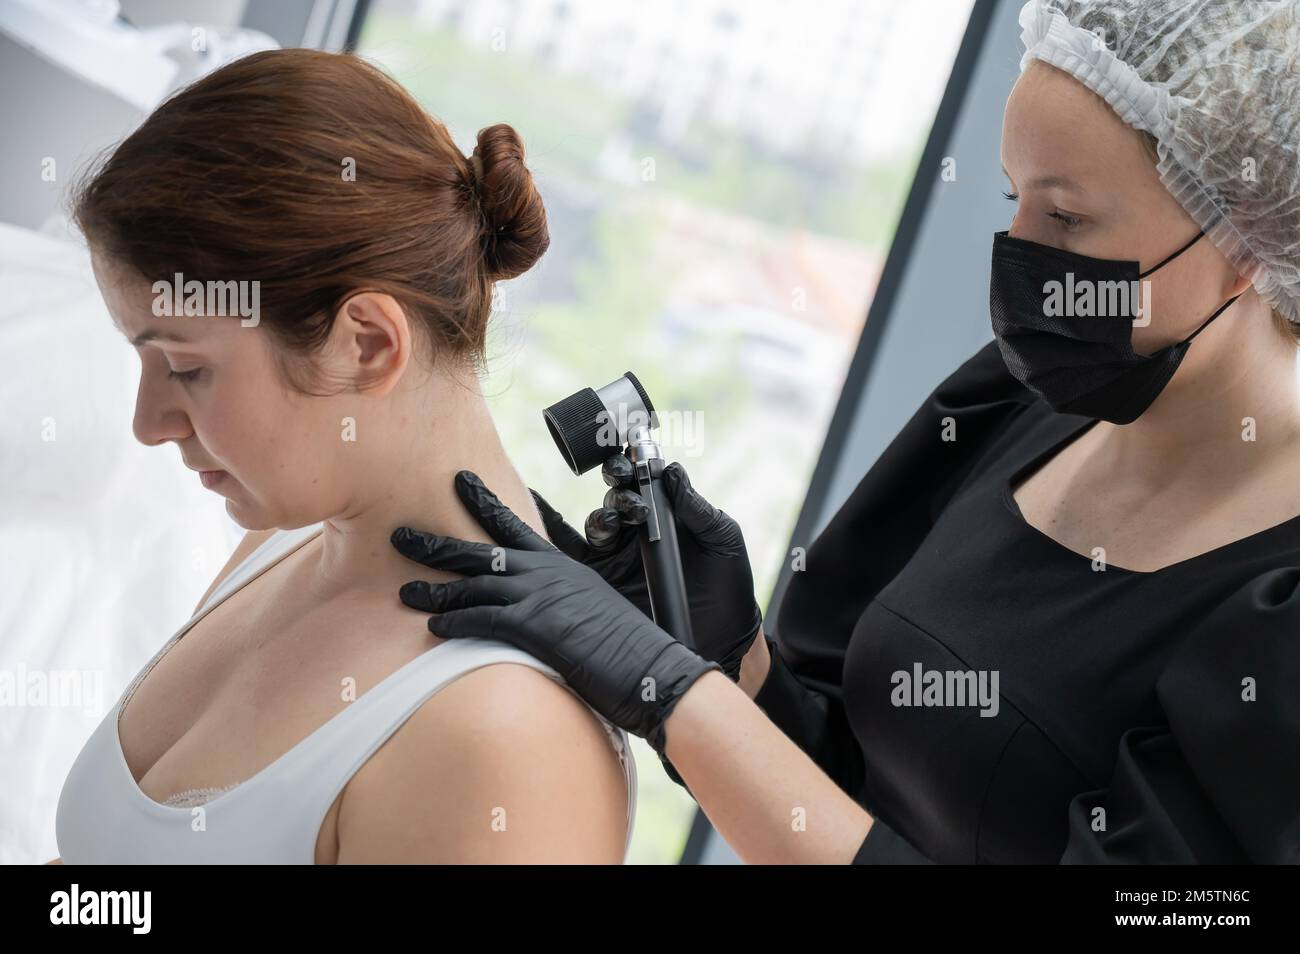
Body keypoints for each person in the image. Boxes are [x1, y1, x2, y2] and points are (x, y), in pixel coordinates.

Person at [390, 0, 1300, 864]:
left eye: (1066, 217)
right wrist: (728, 657)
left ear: (1246, 241)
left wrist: (677, 698)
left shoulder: (1280, 616)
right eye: (1013, 198)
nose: (1016, 253)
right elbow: (831, 780)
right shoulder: (1016, 402)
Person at [50, 49, 635, 864]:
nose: (149, 423)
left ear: (365, 345)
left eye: (186, 368)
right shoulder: (282, 548)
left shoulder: (502, 740)